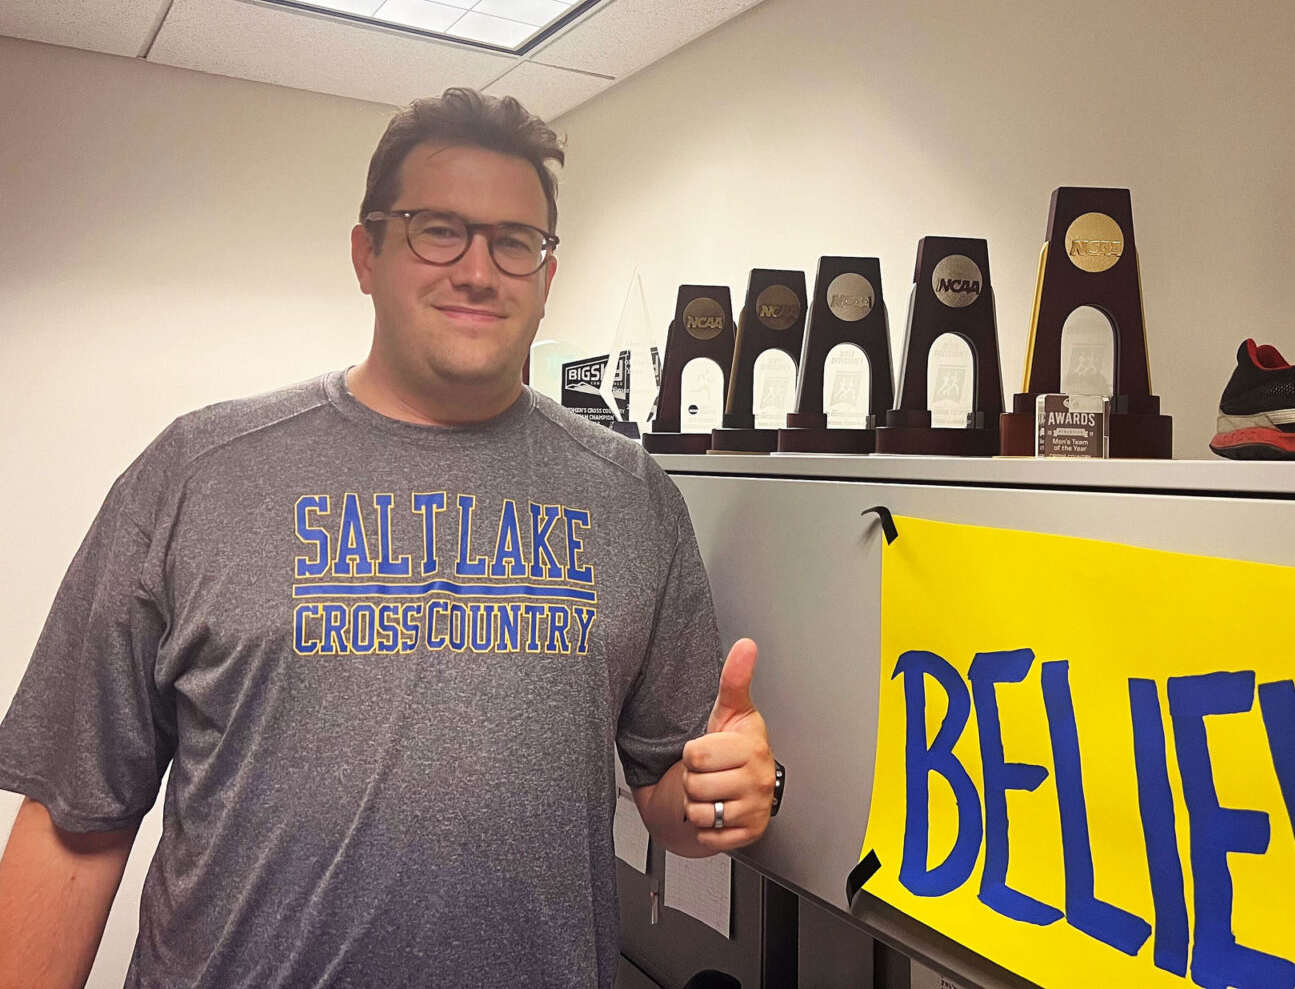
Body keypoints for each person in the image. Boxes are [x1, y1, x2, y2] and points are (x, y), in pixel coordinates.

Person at [0, 88, 778, 989]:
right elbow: (75, 820)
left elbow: (666, 799)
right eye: (437, 229)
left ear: (546, 274)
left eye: (514, 241)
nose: (478, 270)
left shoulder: (631, 497)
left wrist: (722, 797)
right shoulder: (198, 472)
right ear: (367, 253)